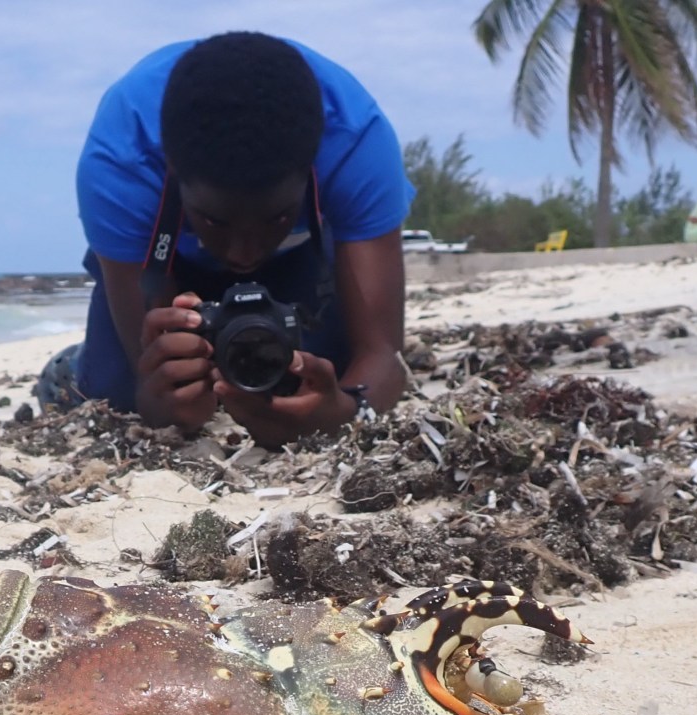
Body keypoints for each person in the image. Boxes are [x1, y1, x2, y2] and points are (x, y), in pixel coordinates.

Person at [35, 32, 414, 448]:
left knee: (318, 375)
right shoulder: (122, 159)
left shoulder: (356, 140)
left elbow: (384, 355)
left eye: (278, 217)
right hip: (167, 259)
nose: (244, 254)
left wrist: (348, 413)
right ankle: (73, 368)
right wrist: (161, 401)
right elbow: (147, 370)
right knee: (123, 391)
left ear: (313, 165)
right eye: (214, 220)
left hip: (299, 255)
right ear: (171, 168)